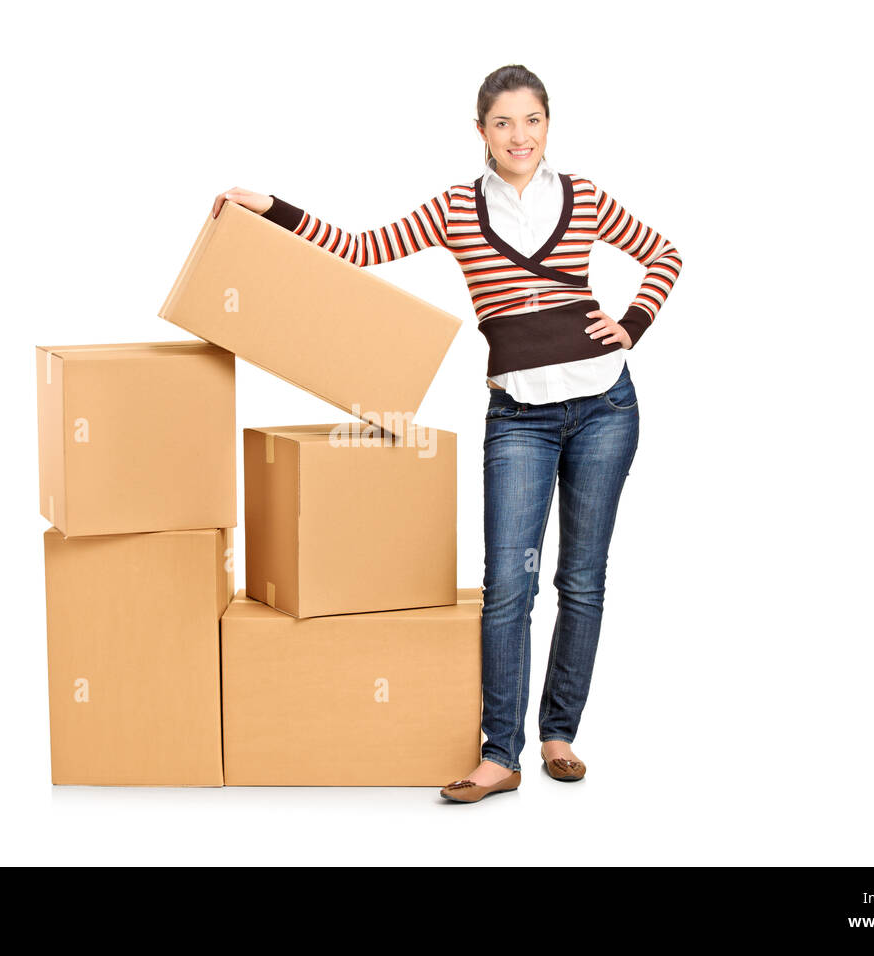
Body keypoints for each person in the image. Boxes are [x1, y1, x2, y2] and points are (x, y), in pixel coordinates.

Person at [211, 64, 682, 803]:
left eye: (531, 121)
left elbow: (666, 253)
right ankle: (502, 754)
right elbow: (361, 247)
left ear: (548, 125)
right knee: (508, 588)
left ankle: (560, 734)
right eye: (503, 123)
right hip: (519, 420)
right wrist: (269, 206)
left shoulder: (584, 197)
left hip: (604, 410)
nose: (518, 136)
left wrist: (631, 325)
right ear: (481, 132)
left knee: (582, 581)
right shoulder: (458, 210)